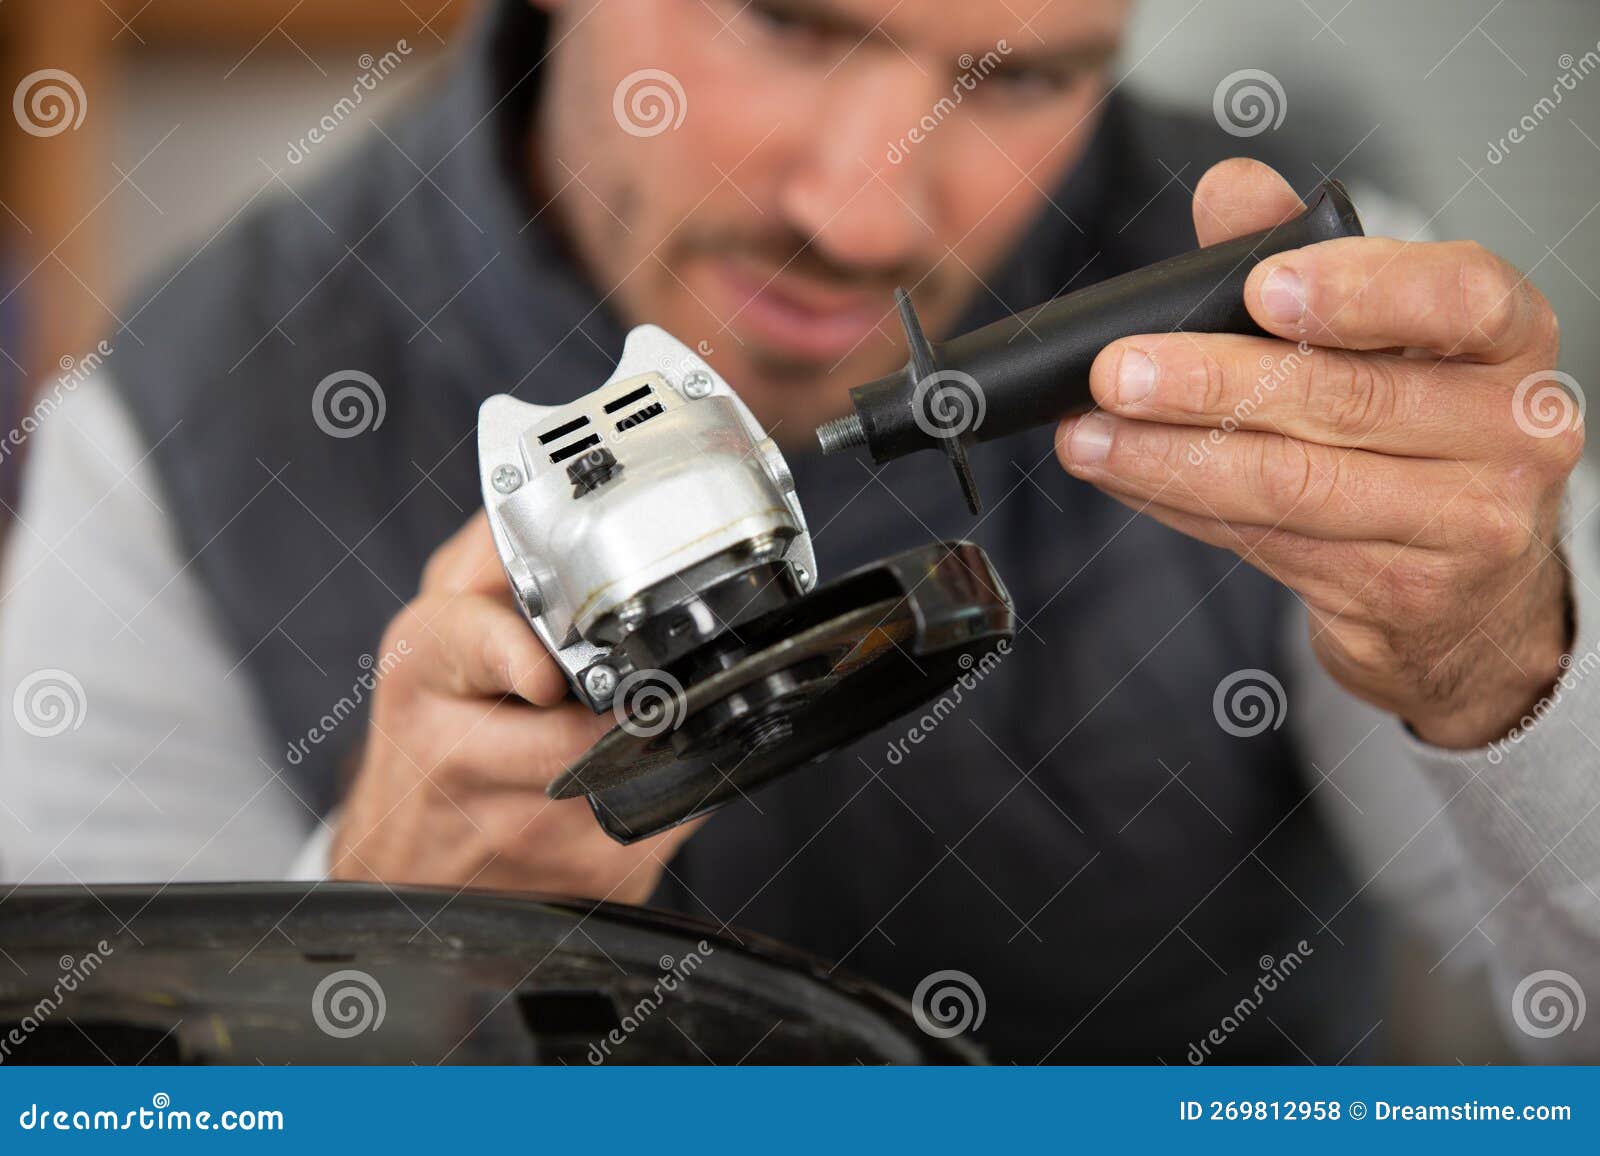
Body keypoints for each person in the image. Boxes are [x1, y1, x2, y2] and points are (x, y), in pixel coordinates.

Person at [3, 0, 1596, 1063]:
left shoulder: (1303, 318)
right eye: (787, 16)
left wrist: (1505, 659)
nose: (866, 217)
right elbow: (80, 1096)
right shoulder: (168, 435)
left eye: (1019, 76)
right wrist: (364, 939)